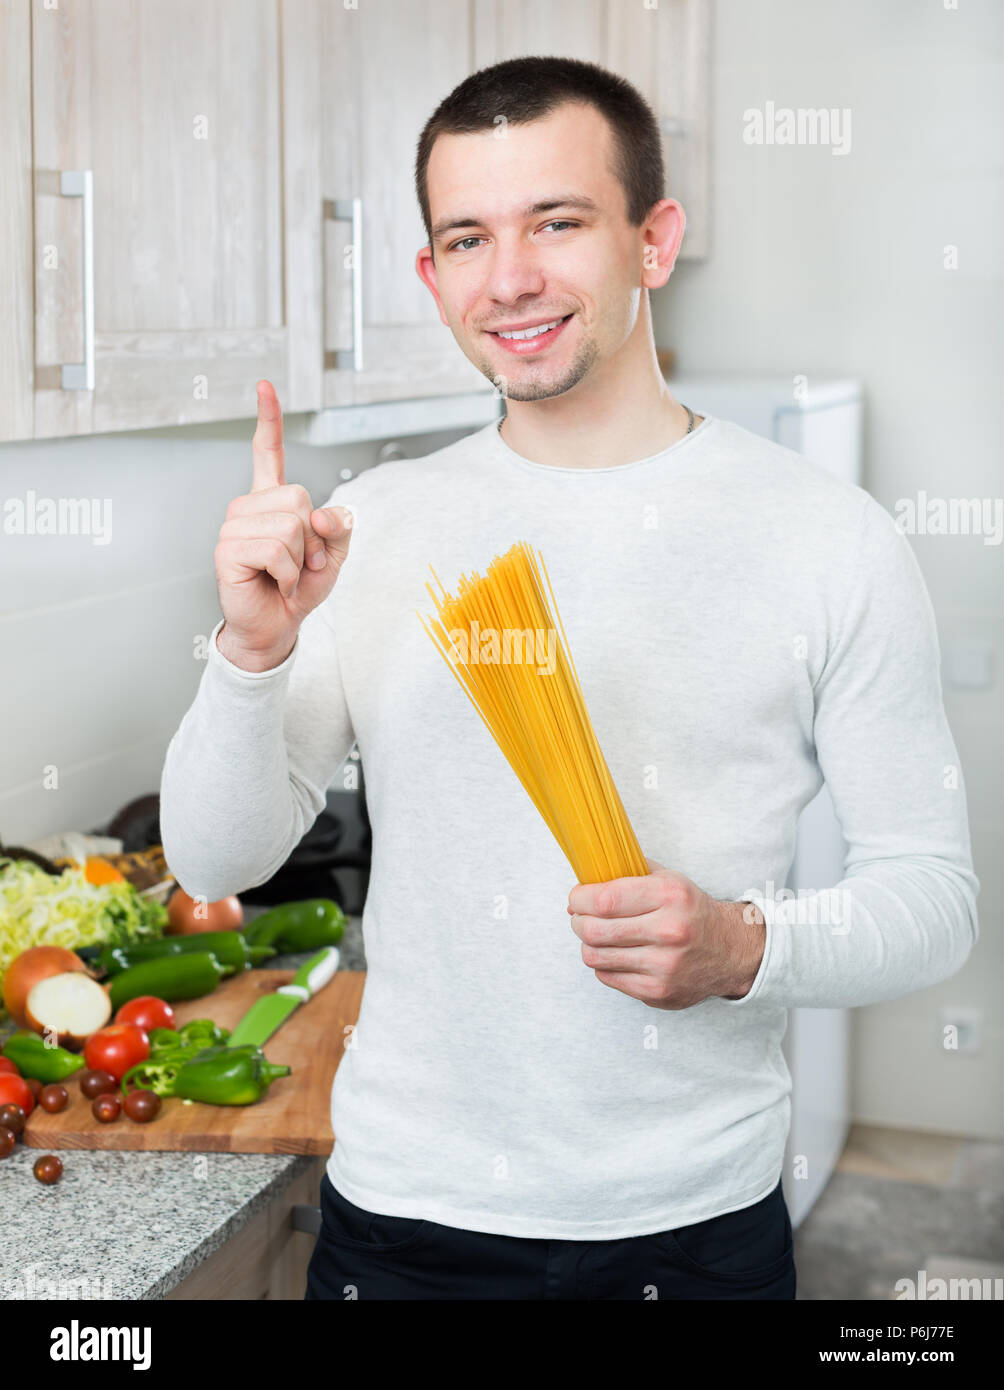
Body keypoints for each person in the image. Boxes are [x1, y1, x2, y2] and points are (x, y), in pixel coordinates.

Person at [159, 56, 979, 1300]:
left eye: (556, 221)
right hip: (404, 1221)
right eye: (467, 238)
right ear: (432, 280)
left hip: (693, 1228)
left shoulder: (829, 537)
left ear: (653, 240)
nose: (512, 278)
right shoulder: (369, 527)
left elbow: (932, 897)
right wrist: (251, 654)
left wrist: (740, 945)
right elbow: (214, 864)